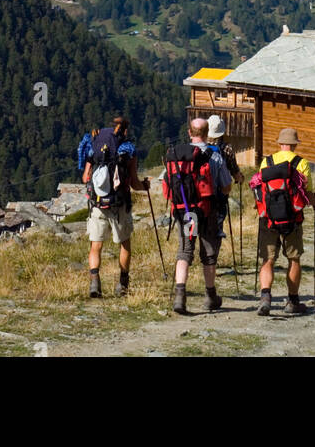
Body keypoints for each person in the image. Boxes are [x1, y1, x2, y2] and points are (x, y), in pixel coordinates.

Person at [163, 117, 232, 315]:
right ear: (207, 132)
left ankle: (180, 296)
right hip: (208, 211)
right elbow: (226, 186)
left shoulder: (176, 155)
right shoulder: (214, 156)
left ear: (189, 132)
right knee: (208, 253)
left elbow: (167, 186)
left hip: (187, 212)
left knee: (185, 250)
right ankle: (210, 296)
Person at [80, 115, 150, 298]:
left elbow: (85, 177)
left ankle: (95, 283)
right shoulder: (127, 150)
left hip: (98, 203)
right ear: (125, 130)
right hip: (119, 204)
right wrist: (145, 186)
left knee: (96, 245)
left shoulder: (94, 145)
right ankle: (122, 285)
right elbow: (134, 182)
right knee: (124, 244)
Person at [253, 126, 315, 317]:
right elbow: (307, 192)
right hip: (293, 218)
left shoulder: (267, 161)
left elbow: (261, 187)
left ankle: (265, 298)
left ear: (281, 143)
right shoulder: (301, 163)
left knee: (268, 259)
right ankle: (293, 301)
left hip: (269, 217)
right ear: (294, 144)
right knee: (293, 257)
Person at [206, 114, 241, 243]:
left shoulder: (199, 147)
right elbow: (234, 171)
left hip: (201, 192)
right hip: (220, 192)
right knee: (218, 223)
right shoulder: (227, 148)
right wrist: (240, 178)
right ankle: (213, 255)